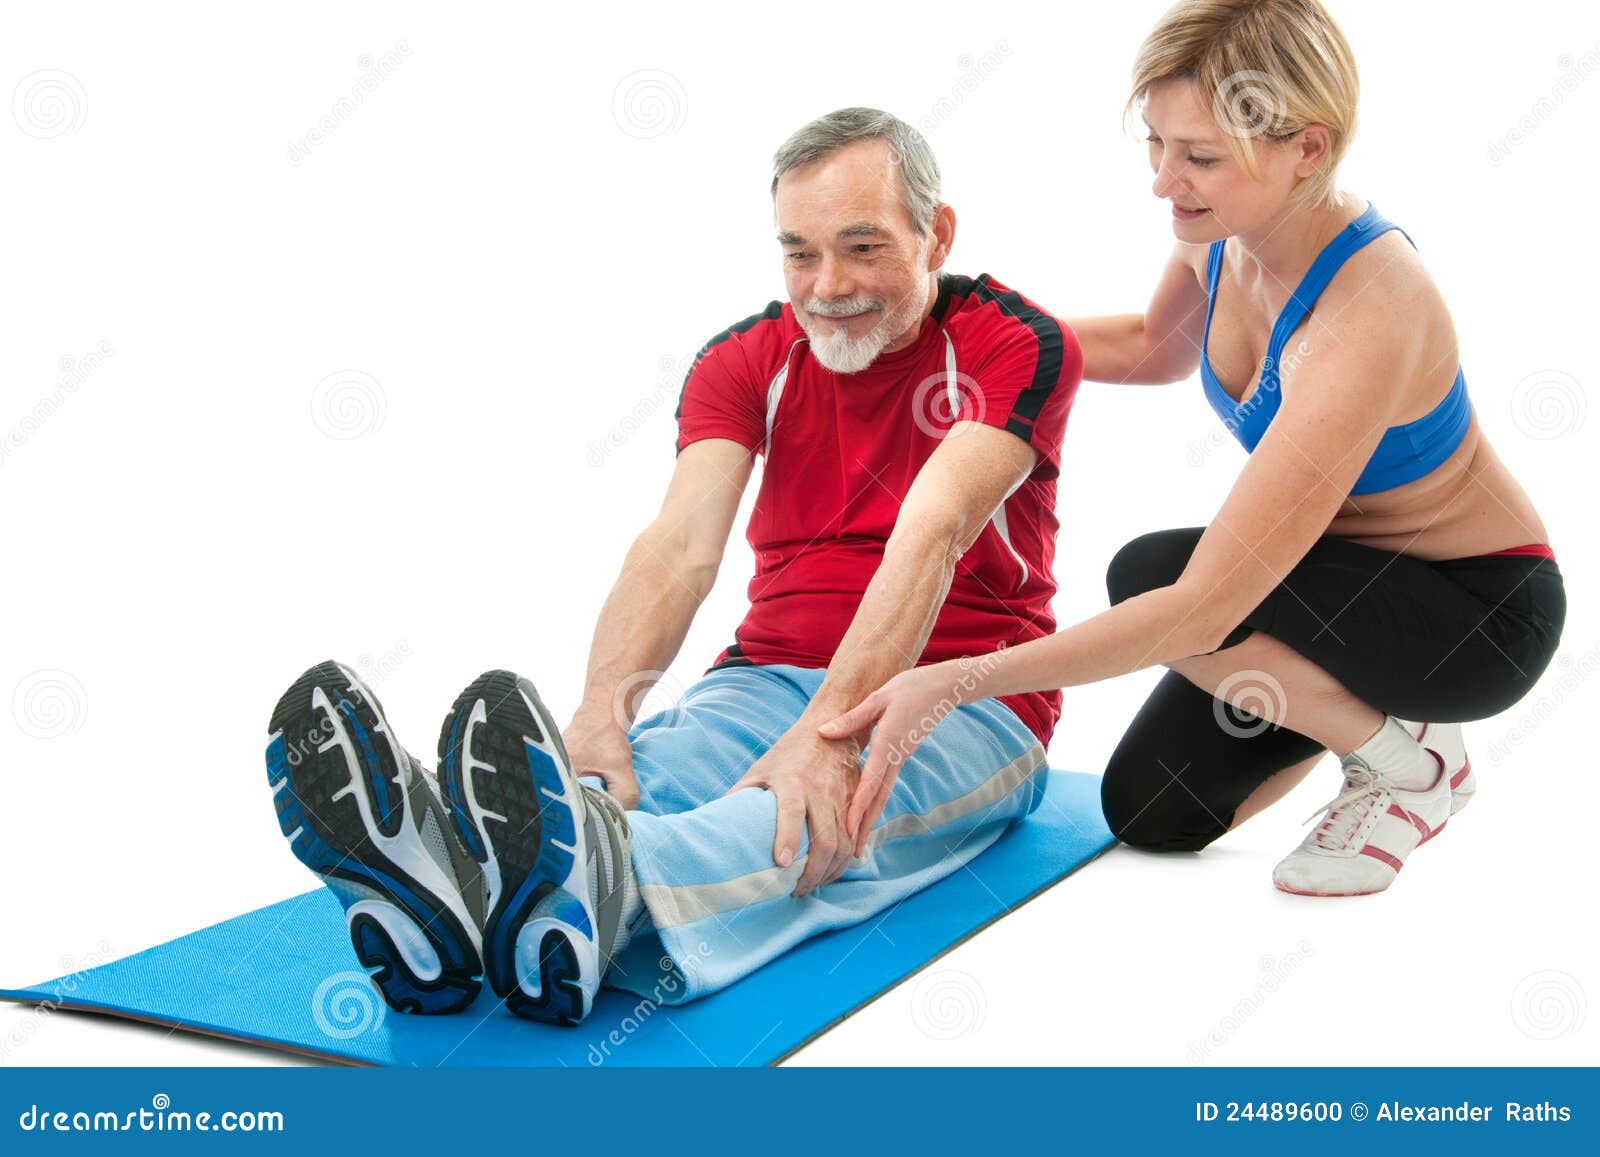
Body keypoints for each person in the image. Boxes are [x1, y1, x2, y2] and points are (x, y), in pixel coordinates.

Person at [263, 107, 1082, 1024]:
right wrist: (604, 713)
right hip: (759, 677)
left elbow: (929, 536)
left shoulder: (1016, 343)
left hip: (960, 699)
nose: (829, 286)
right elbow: (679, 548)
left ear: (938, 234)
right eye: (800, 253)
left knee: (794, 819)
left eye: (863, 248)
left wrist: (830, 734)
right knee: (611, 788)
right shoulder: (745, 358)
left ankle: (592, 886)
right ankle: (449, 886)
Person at [821, 0, 1566, 898]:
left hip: (1475, 614)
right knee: (1153, 812)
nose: (1164, 181)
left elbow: (1202, 612)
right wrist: (955, 318)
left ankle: (1409, 766)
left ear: (1309, 149)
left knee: (1155, 576)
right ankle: (1375, 725)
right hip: (1330, 586)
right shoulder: (1225, 234)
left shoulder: (1372, 310)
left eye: (1200, 156)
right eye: (1157, 144)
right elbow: (1151, 343)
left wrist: (952, 683)